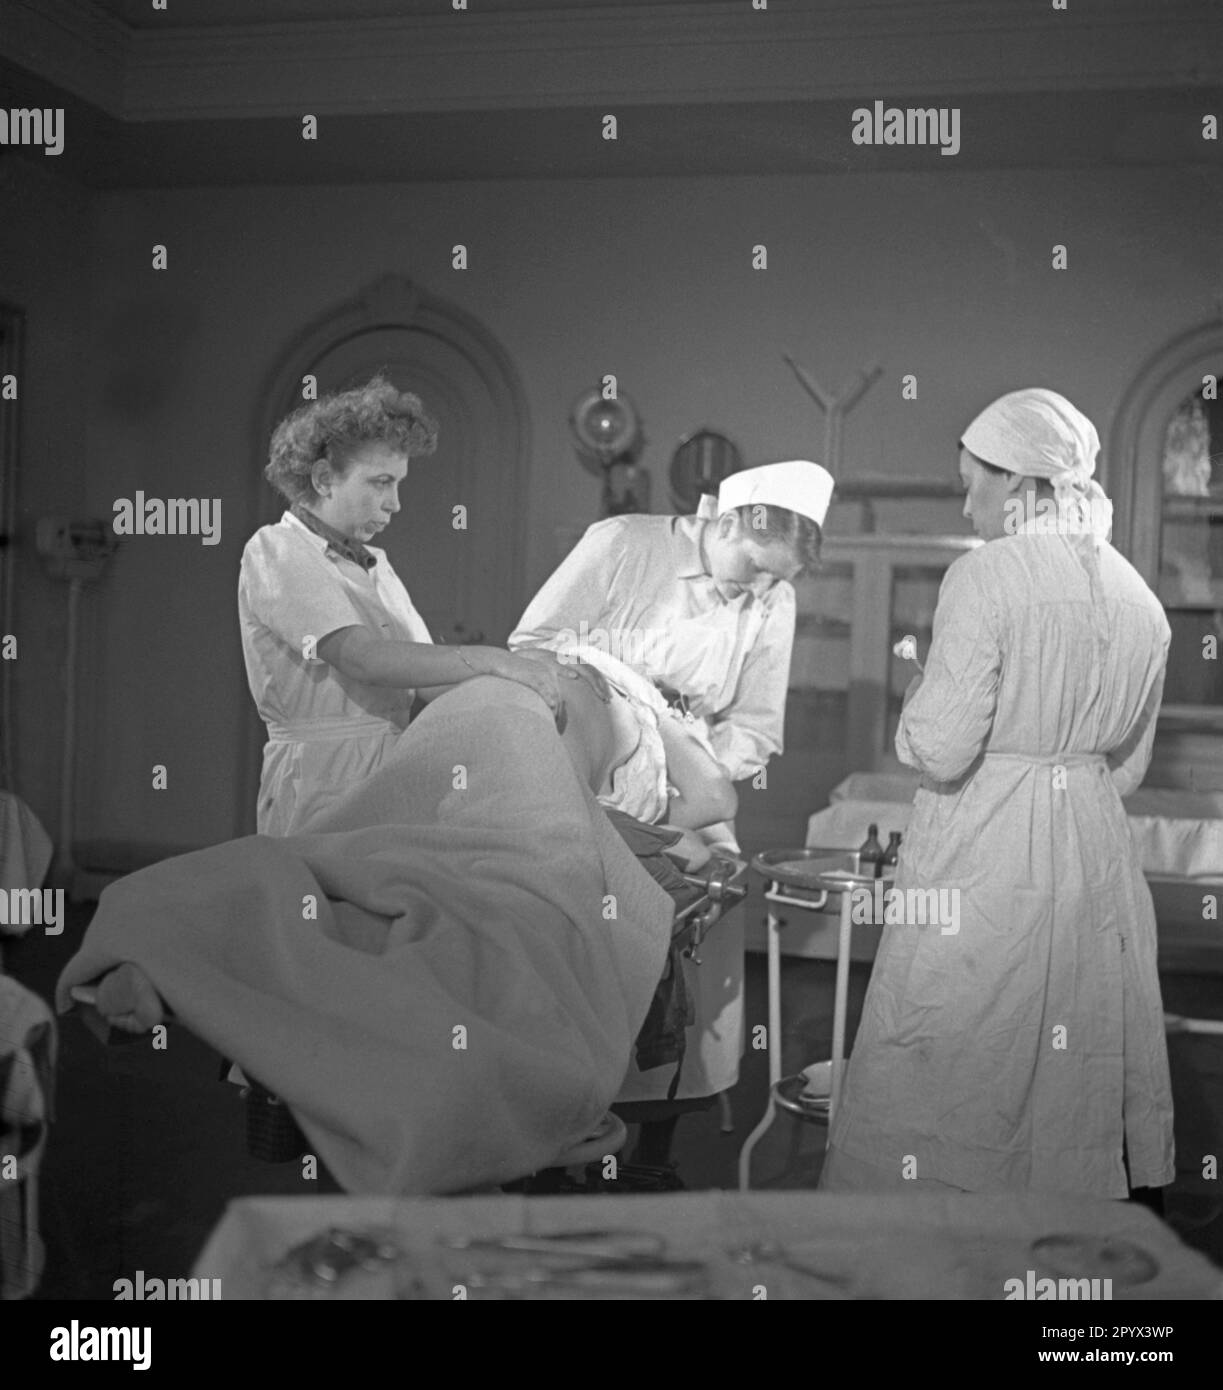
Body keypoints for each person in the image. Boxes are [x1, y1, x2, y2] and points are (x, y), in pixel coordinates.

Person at [820, 388, 1175, 1199]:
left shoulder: (985, 576)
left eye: (969, 483)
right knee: (1070, 1057)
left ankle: (935, 1255)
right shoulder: (1139, 599)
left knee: (960, 1043)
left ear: (1016, 486)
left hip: (988, 843)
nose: (965, 502)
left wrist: (919, 699)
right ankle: (1056, 1271)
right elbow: (1124, 769)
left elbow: (941, 750)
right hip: (1090, 850)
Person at [510, 459, 834, 1113]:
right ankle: (561, 1116)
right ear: (731, 520)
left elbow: (757, 725)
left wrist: (686, 765)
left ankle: (664, 1120)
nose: (761, 590)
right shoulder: (623, 544)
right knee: (585, 945)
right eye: (757, 567)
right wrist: (622, 724)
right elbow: (532, 645)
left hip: (690, 780)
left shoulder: (774, 597)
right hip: (591, 765)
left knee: (691, 941)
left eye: (778, 579)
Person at [239, 376, 584, 837]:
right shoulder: (277, 550)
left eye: (398, 484)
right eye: (381, 483)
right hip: (320, 779)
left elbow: (430, 684)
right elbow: (364, 659)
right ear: (323, 478)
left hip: (393, 772)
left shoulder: (375, 563)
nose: (395, 503)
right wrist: (492, 661)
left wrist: (522, 693)